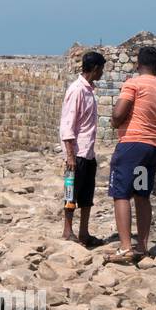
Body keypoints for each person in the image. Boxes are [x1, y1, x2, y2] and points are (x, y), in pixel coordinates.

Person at [106, 45, 156, 263]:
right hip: (153, 148)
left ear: (138, 64)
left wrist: (116, 122)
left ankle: (125, 248)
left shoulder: (133, 84)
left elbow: (118, 113)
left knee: (121, 193)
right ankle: (142, 246)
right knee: (142, 194)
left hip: (132, 145)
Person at [59, 50, 105, 246]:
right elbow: (67, 125)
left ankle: (84, 232)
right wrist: (70, 156)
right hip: (76, 153)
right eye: (101, 69)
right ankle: (68, 230)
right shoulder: (77, 90)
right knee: (72, 193)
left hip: (88, 152)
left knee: (87, 195)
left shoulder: (89, 91)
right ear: (95, 69)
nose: (102, 73)